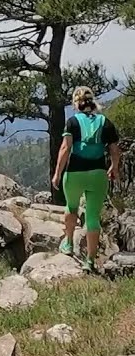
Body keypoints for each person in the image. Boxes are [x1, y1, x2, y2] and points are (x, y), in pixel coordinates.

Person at [51, 86, 122, 274]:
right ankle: (89, 261)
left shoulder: (73, 122)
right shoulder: (105, 122)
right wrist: (114, 168)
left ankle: (68, 244)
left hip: (75, 173)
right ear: (93, 102)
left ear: (76, 103)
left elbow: (65, 149)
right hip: (98, 174)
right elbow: (115, 149)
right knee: (92, 217)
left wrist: (57, 173)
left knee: (71, 207)